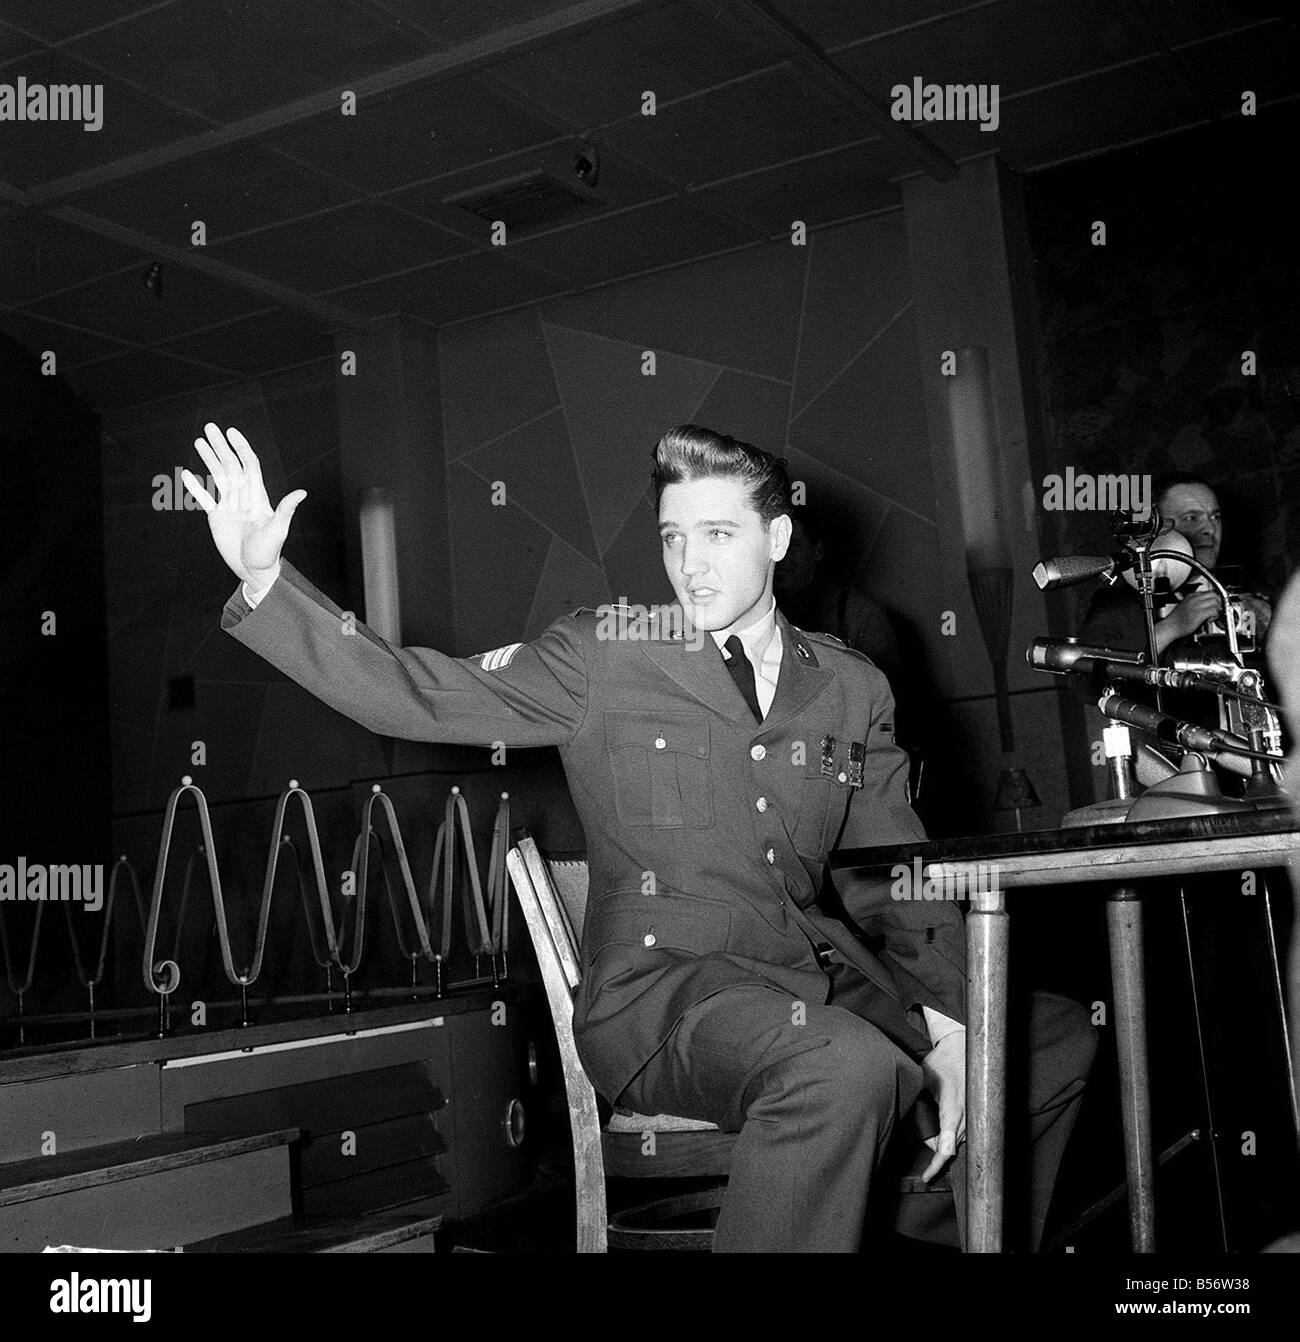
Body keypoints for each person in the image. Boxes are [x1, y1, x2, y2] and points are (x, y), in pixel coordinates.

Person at [182, 420, 1094, 1252]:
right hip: (664, 1000)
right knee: (845, 1068)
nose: (690, 566)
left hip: (810, 982)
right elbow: (419, 693)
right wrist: (267, 582)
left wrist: (946, 1016)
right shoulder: (605, 654)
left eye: (718, 535)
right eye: (672, 537)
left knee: (1046, 1038)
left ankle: (885, 1220)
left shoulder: (853, 688)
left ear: (778, 541)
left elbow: (888, 875)